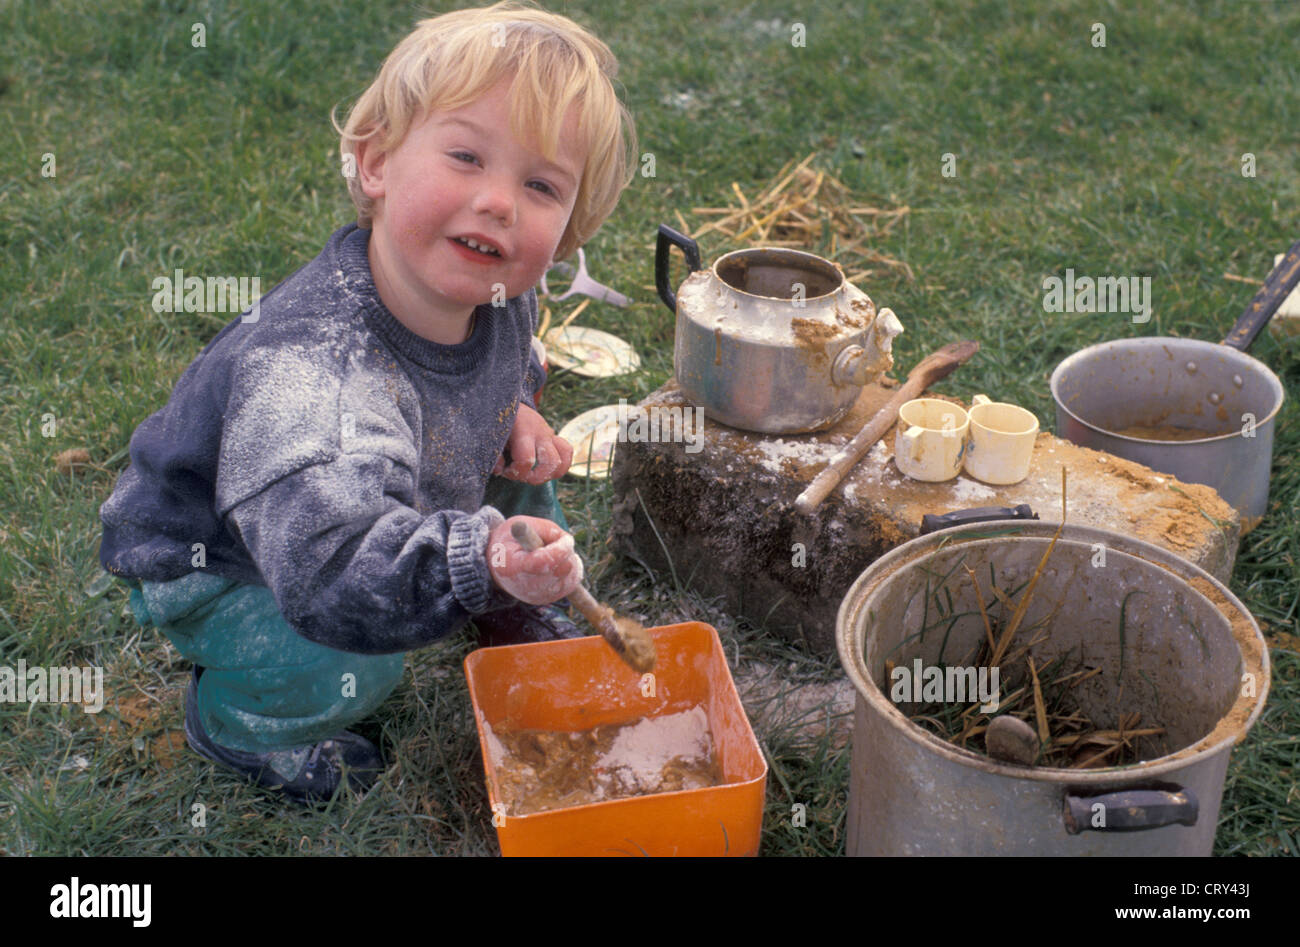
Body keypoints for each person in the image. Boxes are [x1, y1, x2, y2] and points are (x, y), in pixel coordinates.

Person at [97, 1, 636, 803]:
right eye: (465, 155)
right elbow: (331, 576)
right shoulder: (314, 378)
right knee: (359, 655)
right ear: (375, 162)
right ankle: (241, 718)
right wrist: (476, 559)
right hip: (236, 561)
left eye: (540, 184)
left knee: (512, 452)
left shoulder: (492, 288)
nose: (499, 202)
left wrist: (516, 404)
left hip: (372, 487)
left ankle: (507, 608)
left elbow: (509, 354)